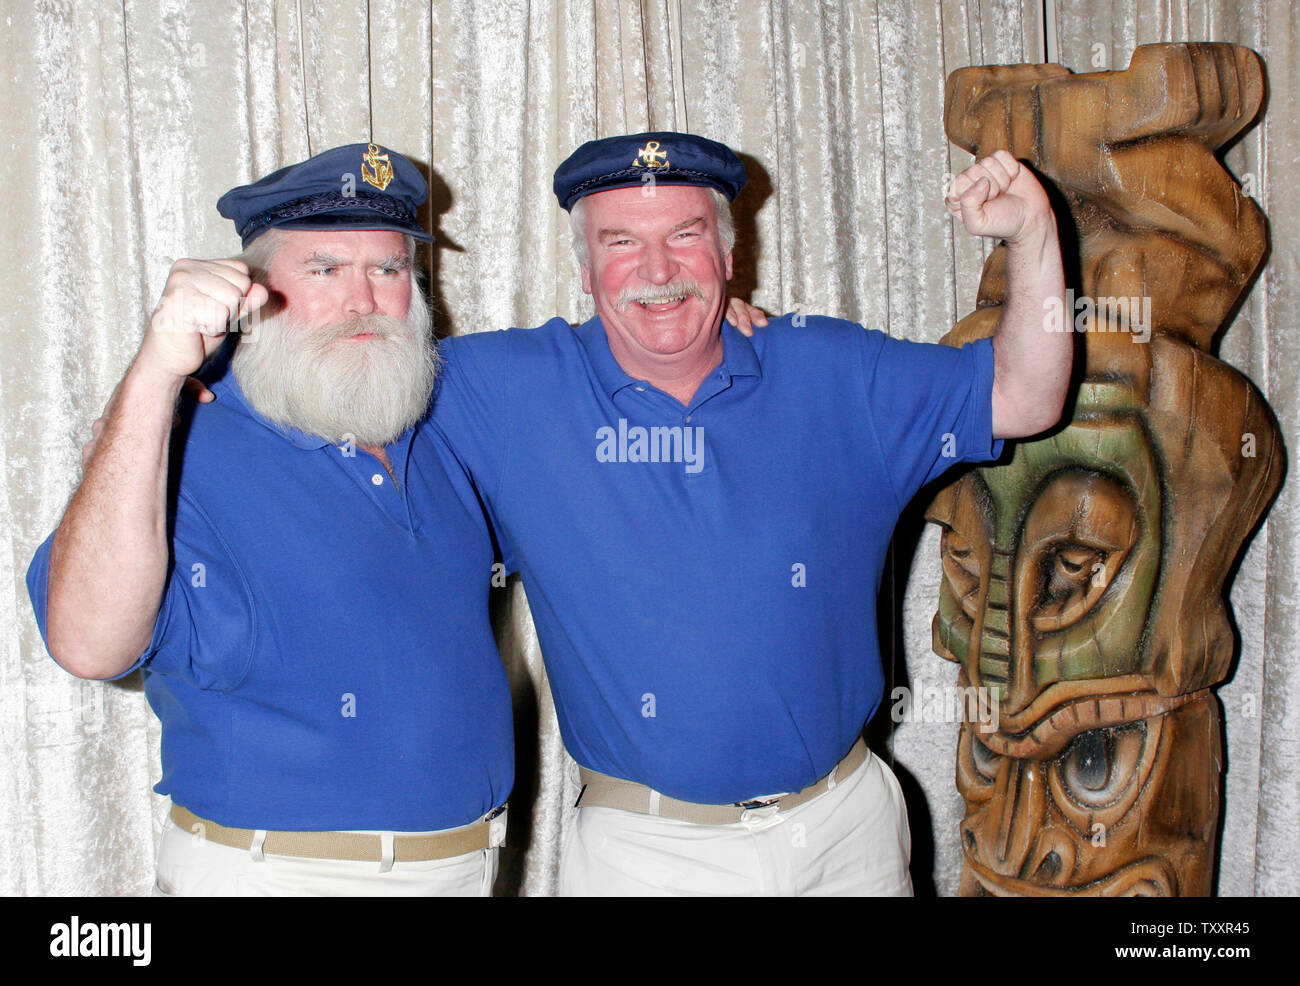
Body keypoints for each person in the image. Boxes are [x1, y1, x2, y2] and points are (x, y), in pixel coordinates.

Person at [427, 131, 1070, 895]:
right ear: (585, 266)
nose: (658, 270)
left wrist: (1035, 233)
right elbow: (336, 384)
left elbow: (1025, 396)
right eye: (621, 241)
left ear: (729, 255)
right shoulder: (502, 393)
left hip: (848, 833)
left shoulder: (832, 371)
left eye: (686, 236)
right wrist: (248, 319)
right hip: (648, 853)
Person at [26, 143, 515, 895]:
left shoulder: (441, 418)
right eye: (324, 269)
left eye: (386, 269)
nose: (365, 300)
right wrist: (157, 372)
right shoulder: (182, 439)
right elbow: (88, 645)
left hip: (465, 869)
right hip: (273, 875)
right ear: (252, 291)